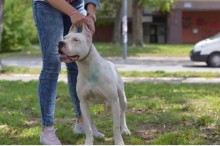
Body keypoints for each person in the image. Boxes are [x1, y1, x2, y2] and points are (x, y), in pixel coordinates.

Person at [32, 0, 103, 145]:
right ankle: (47, 130)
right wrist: (72, 13)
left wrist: (90, 14)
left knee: (76, 62)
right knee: (52, 64)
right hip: (47, 5)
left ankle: (82, 122)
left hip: (77, 3)